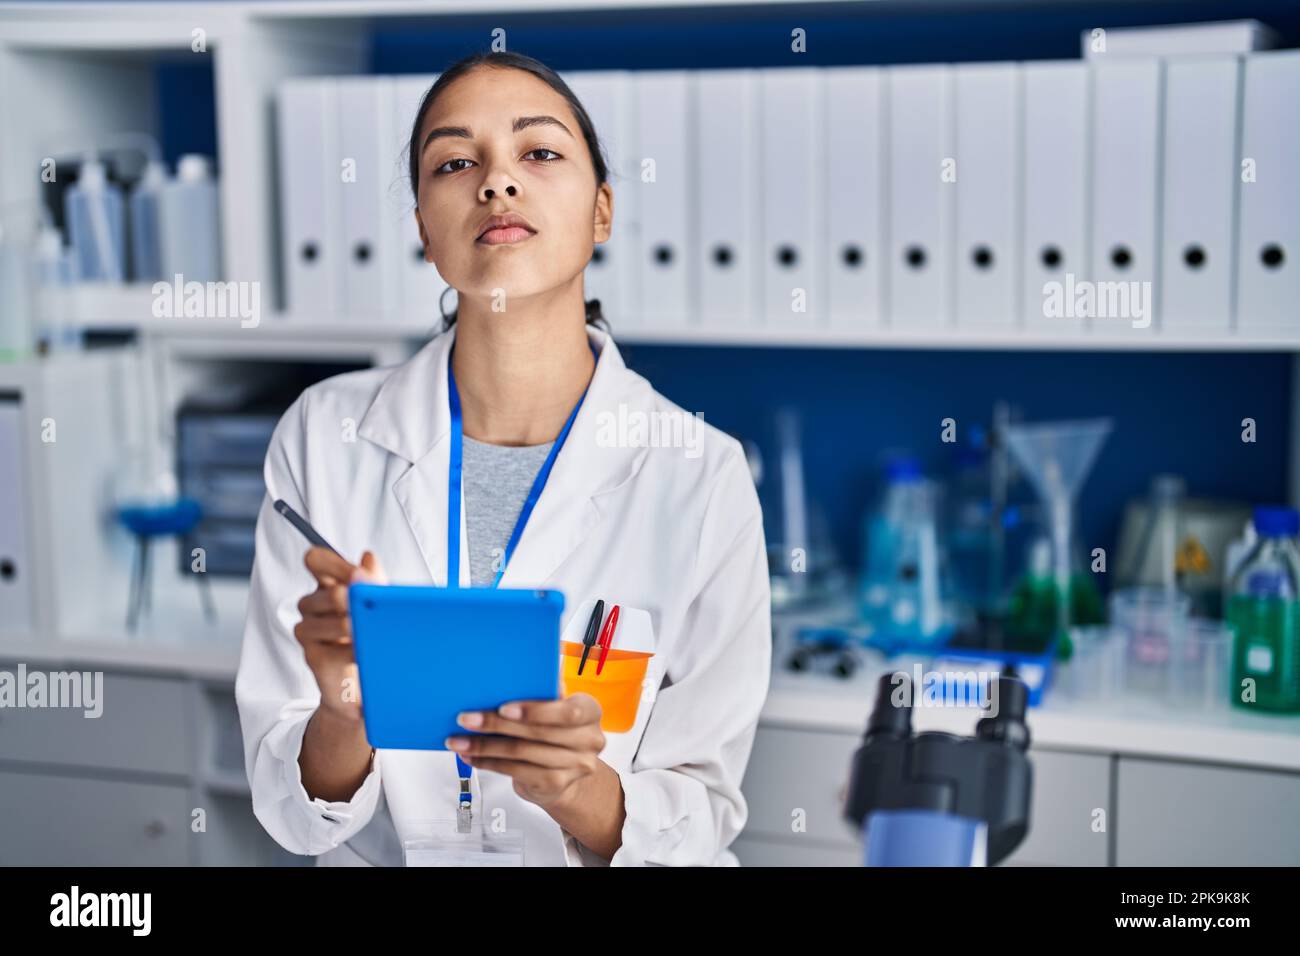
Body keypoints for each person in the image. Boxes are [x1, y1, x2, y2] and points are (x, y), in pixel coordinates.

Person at [235, 51, 771, 866]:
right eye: (455, 162)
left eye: (540, 153)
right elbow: (293, 813)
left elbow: (702, 816)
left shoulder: (699, 473)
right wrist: (346, 708)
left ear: (601, 211)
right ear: (423, 227)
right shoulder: (323, 435)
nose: (496, 183)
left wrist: (574, 788)